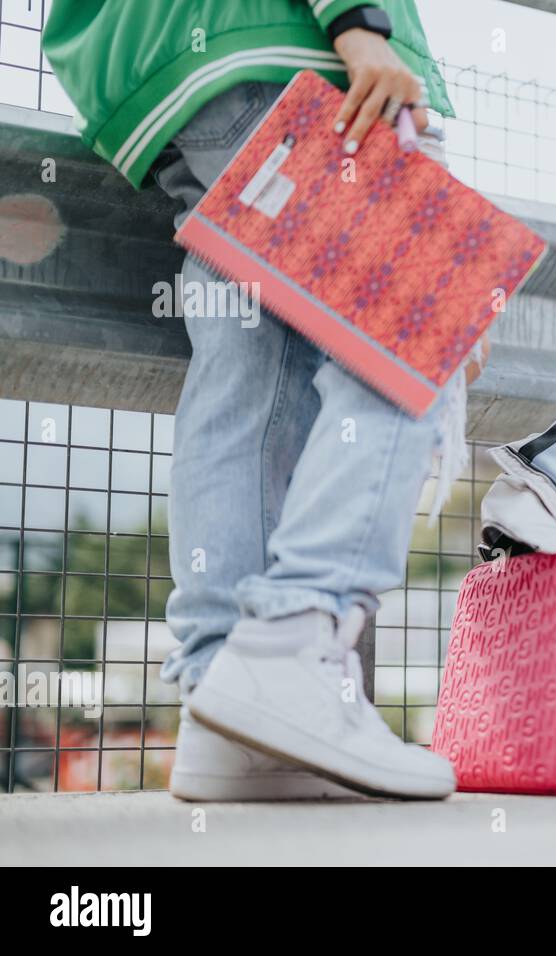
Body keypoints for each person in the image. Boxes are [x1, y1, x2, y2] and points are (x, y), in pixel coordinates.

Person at [43, 1, 485, 800]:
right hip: (291, 53)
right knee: (415, 330)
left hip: (175, 76)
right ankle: (295, 634)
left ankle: (225, 709)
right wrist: (357, 21)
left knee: (250, 368)